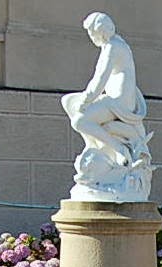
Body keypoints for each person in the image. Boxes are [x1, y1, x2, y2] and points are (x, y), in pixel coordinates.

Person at [61, 12, 149, 169]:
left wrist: (86, 100)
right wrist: (85, 99)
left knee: (79, 121)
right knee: (67, 101)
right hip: (111, 100)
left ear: (100, 31)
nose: (90, 36)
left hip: (118, 103)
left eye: (91, 32)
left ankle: (120, 149)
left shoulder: (113, 47)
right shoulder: (114, 44)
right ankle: (93, 145)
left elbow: (100, 79)